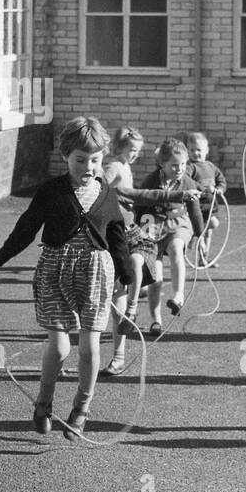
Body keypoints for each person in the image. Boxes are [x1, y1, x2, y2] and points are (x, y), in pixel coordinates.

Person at [0, 117, 128, 439]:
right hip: (55, 272)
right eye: (80, 160)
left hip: (96, 273)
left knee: (89, 347)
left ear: (104, 159)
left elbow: (117, 237)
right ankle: (44, 402)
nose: (88, 166)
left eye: (95, 160)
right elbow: (27, 227)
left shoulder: (107, 194)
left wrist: (126, 276)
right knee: (59, 349)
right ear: (66, 157)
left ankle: (82, 407)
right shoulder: (51, 191)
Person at [101, 128, 200, 376]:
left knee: (136, 268)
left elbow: (134, 198)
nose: (135, 155)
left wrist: (199, 233)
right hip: (117, 231)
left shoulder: (123, 166)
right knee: (118, 295)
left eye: (137, 150)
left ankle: (135, 315)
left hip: (131, 231)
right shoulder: (114, 167)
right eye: (131, 150)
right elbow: (138, 195)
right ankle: (119, 348)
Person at [136, 138, 205, 335]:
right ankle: (155, 320)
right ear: (162, 164)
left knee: (176, 249)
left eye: (183, 164)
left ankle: (178, 296)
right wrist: (138, 231)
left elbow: (195, 209)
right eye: (174, 165)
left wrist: (198, 234)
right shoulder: (151, 181)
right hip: (153, 224)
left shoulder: (187, 181)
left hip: (178, 222)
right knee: (155, 278)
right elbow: (140, 206)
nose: (179, 169)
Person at [184, 131, 227, 262]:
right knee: (207, 227)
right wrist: (203, 189)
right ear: (187, 151)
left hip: (211, 206)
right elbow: (186, 181)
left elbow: (222, 181)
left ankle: (204, 258)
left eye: (199, 150)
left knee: (208, 232)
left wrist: (219, 189)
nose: (196, 153)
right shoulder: (190, 167)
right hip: (196, 206)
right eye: (192, 150)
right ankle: (195, 237)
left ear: (206, 150)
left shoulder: (211, 166)